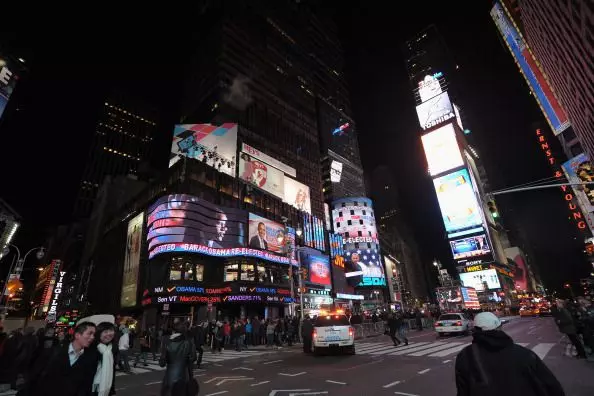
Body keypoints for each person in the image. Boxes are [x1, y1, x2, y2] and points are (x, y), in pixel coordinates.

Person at [455, 312, 565, 396]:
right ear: (499, 328)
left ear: (476, 330)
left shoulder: (465, 356)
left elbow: (463, 391)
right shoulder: (524, 354)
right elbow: (551, 385)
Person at [17, 322, 98, 396]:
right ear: (77, 335)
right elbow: (35, 377)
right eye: (90, 333)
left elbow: (85, 385)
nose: (92, 337)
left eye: (94, 335)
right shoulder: (53, 352)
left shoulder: (90, 358)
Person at [159, 320, 197, 396]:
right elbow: (193, 358)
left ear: (173, 330)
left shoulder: (166, 341)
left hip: (169, 375)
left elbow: (162, 363)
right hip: (183, 374)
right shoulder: (189, 342)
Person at [88, 322, 117, 396]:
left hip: (107, 387)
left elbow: (112, 370)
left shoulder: (113, 348)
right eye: (105, 332)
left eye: (111, 330)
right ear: (98, 334)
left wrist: (112, 389)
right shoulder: (91, 347)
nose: (109, 334)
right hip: (92, 388)